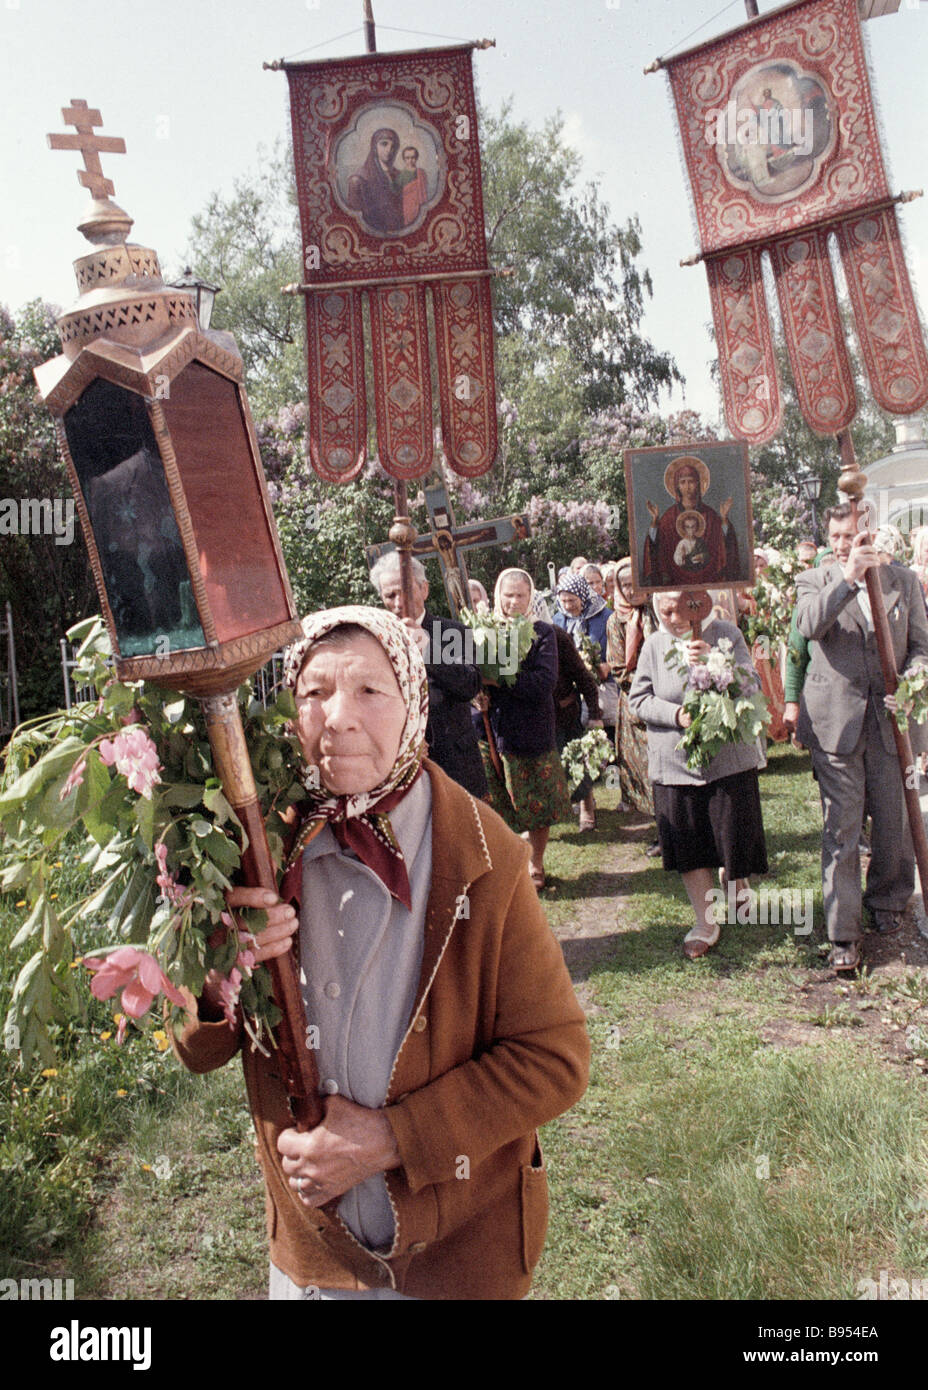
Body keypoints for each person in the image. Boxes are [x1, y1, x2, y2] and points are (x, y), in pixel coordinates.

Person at [172, 607, 589, 1300]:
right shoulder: (252, 846)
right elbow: (195, 1046)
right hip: (314, 1255)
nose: (337, 716)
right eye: (314, 692)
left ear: (414, 703)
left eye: (369, 690)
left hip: (455, 1256)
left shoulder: (484, 854)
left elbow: (556, 1059)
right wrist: (220, 975)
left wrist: (392, 1138)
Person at [795, 504, 928, 973]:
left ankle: (889, 901)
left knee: (893, 823)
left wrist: (912, 680)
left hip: (892, 725)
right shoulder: (815, 580)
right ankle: (844, 932)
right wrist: (847, 577)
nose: (841, 543)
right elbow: (809, 626)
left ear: (867, 533)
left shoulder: (903, 581)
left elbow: (921, 647)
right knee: (842, 829)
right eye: (834, 535)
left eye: (850, 535)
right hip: (836, 723)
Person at [629, 590, 768, 959]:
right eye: (666, 609)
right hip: (677, 763)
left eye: (683, 607)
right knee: (690, 842)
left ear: (700, 603)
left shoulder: (725, 632)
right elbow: (638, 699)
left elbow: (751, 685)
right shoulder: (654, 645)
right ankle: (705, 922)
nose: (675, 617)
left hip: (727, 759)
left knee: (731, 832)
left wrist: (716, 660)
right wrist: (676, 716)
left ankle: (737, 885)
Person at [477, 568, 572, 888]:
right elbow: (472, 674)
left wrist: (499, 679)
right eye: (508, 594)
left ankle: (536, 863)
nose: (514, 601)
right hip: (493, 729)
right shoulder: (484, 631)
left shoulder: (542, 633)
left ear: (531, 597)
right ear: (497, 596)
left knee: (536, 804)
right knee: (499, 804)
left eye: (520, 595)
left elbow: (543, 682)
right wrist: (479, 693)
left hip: (530, 728)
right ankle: (510, 862)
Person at [370, 552, 487, 799]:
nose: (398, 602)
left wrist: (427, 648)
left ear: (424, 589)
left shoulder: (453, 632)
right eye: (390, 595)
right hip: (400, 765)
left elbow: (469, 685)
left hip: (455, 763)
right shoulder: (375, 641)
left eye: (405, 591)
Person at [553, 572, 611, 831]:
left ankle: (587, 804)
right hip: (556, 700)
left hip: (588, 687)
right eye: (563, 601)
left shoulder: (602, 618)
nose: (568, 606)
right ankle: (570, 800)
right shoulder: (556, 623)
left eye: (572, 600)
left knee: (578, 752)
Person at [606, 559, 658, 834]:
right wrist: (651, 686)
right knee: (647, 769)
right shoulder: (617, 621)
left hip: (669, 699)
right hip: (637, 702)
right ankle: (664, 832)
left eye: (635, 582)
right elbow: (617, 667)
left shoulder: (661, 611)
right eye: (624, 585)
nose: (630, 590)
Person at [642, 456, 740, 588]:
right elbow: (657, 548)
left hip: (709, 580)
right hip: (674, 582)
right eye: (683, 482)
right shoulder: (669, 517)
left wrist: (723, 520)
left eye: (691, 482)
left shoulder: (710, 515)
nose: (687, 487)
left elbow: (723, 546)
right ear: (677, 486)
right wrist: (654, 523)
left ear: (698, 483)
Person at [552, 623, 603, 831]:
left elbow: (582, 675)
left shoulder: (557, 636)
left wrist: (594, 714)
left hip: (565, 713)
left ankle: (587, 805)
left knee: (576, 761)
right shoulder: (503, 635)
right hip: (536, 717)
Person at [345, 128, 403, 234]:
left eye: (393, 146)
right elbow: (355, 224)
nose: (389, 149)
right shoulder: (359, 180)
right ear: (374, 147)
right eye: (384, 144)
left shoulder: (399, 176)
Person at [398, 145, 428, 225]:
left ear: (416, 158)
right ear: (404, 159)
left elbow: (424, 190)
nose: (410, 160)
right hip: (407, 205)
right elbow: (398, 190)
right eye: (407, 158)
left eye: (413, 158)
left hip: (419, 204)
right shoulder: (401, 174)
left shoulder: (421, 173)